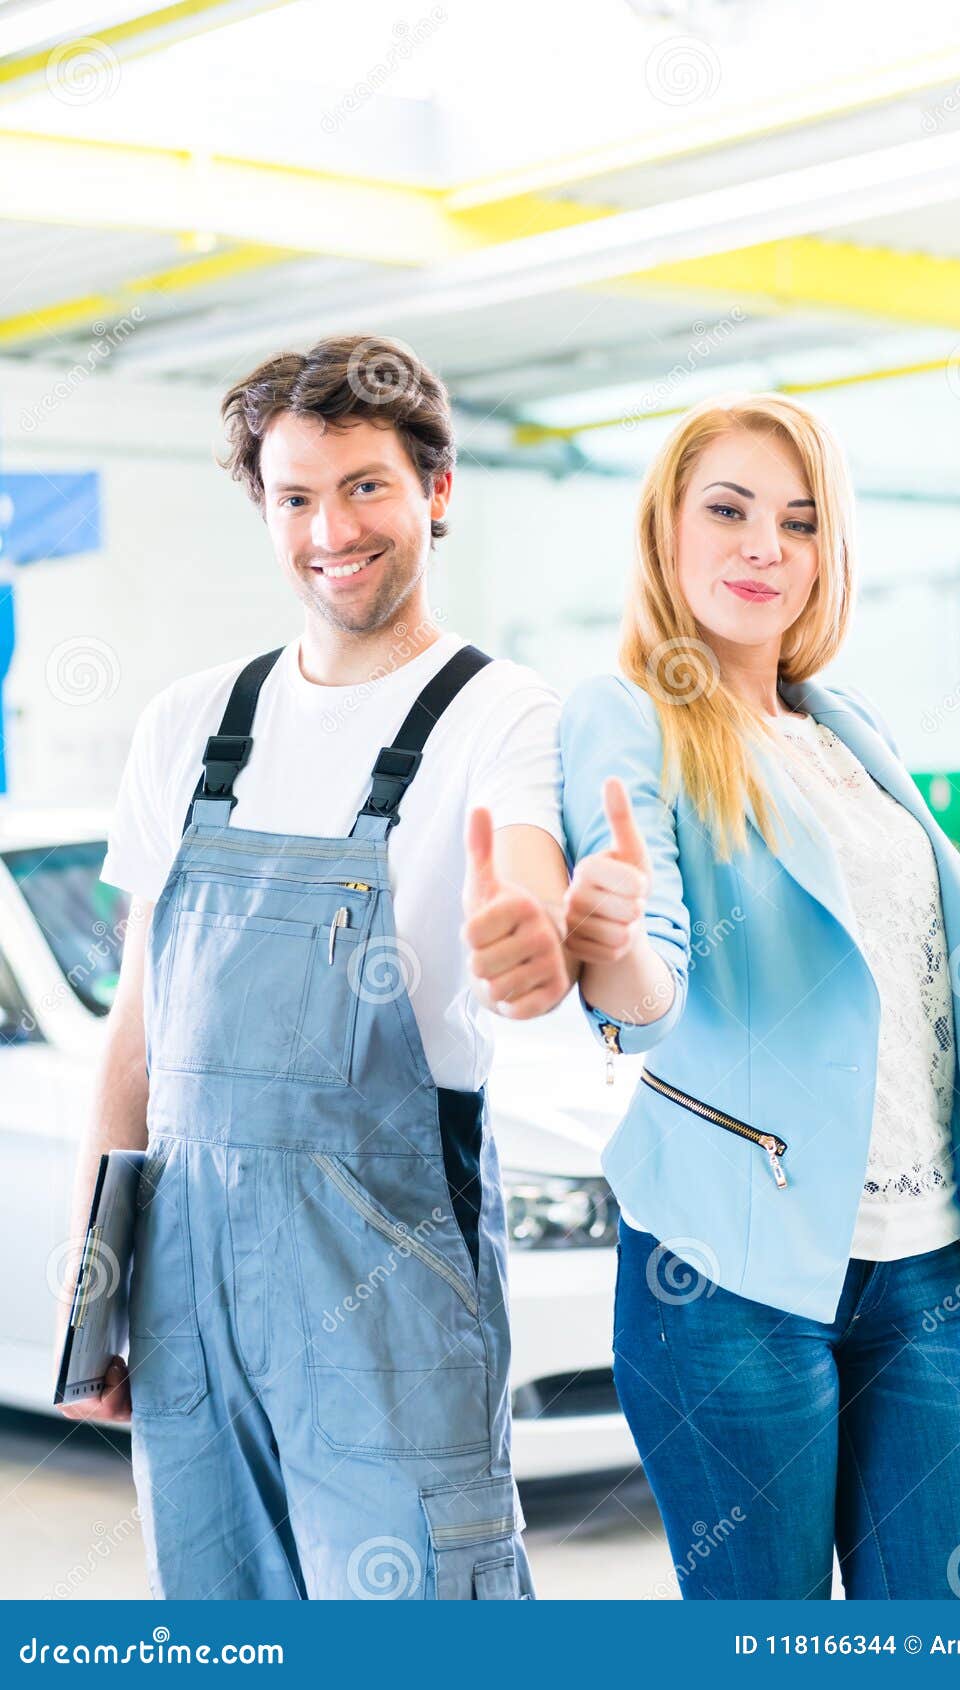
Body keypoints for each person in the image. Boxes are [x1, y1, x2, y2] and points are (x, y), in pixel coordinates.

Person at [56, 334, 576, 1601]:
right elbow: (134, 1038)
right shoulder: (190, 724)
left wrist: (540, 939)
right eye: (295, 496)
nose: (329, 529)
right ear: (265, 508)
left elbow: (533, 888)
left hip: (388, 1305)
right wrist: (95, 1297)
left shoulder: (502, 714)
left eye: (364, 487)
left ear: (435, 493)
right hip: (186, 1305)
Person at [559, 393, 960, 1600]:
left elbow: (922, 1020)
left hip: (925, 1273)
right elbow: (650, 984)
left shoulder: (847, 728)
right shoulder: (628, 717)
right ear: (667, 529)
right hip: (732, 1278)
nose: (764, 544)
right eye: (728, 509)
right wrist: (608, 935)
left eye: (800, 520)